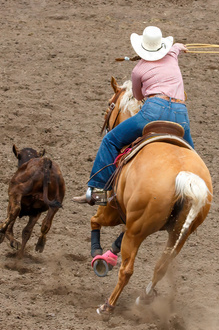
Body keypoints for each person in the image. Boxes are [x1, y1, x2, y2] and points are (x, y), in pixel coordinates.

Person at [75, 25, 195, 205]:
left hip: (153, 111)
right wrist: (179, 46)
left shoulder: (138, 70)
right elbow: (176, 48)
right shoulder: (171, 55)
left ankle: (98, 192)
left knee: (110, 140)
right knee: (191, 153)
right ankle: (195, 188)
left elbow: (138, 97)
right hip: (180, 114)